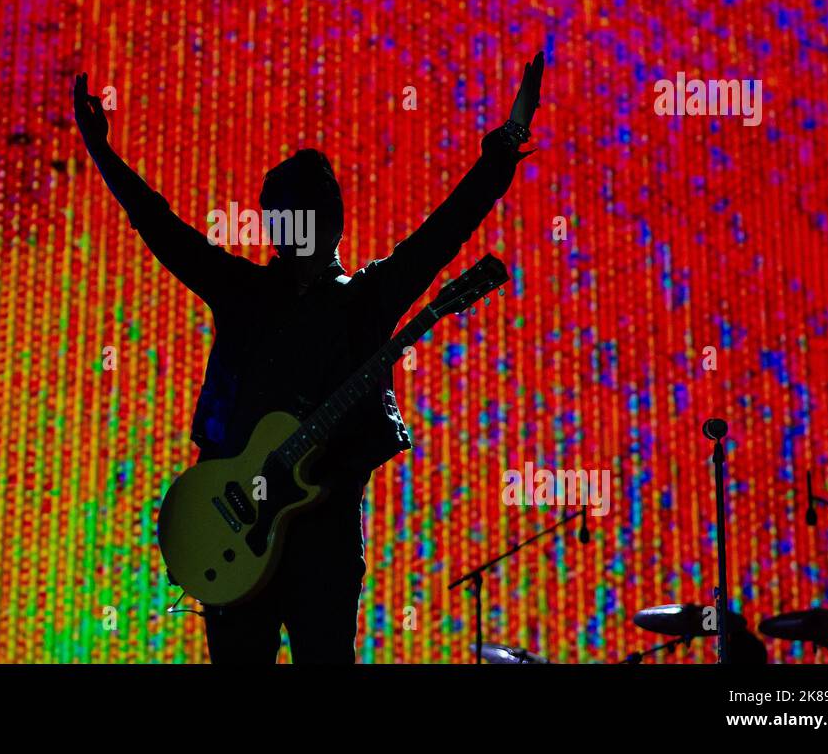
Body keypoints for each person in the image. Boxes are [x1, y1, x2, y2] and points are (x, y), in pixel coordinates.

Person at [72, 52, 544, 662]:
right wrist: (103, 154)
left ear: (330, 225)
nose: (284, 231)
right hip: (230, 531)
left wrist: (507, 142)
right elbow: (162, 229)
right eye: (278, 218)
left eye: (297, 218)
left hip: (323, 539)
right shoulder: (245, 292)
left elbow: (445, 230)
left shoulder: (366, 299)